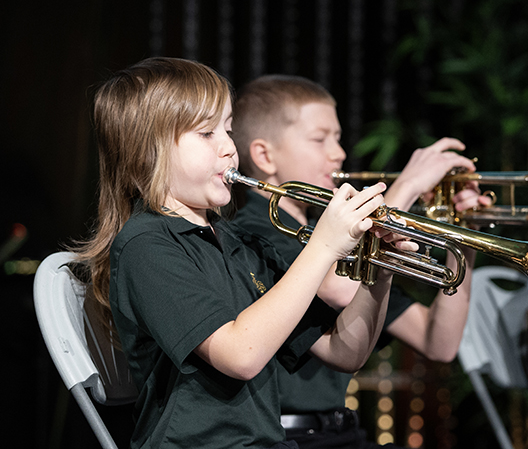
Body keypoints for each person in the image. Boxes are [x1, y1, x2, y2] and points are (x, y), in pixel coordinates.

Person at [72, 57, 406, 449]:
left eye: (228, 130)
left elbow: (344, 350)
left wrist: (379, 271)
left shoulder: (239, 244)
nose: (230, 149)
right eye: (207, 133)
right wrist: (324, 247)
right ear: (149, 149)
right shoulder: (146, 245)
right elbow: (240, 354)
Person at [230, 74, 492, 448]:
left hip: (341, 433)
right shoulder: (257, 228)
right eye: (320, 139)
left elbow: (439, 342)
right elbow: (335, 286)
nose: (338, 152)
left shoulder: (329, 234)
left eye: (337, 138)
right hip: (289, 436)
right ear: (264, 155)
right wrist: (405, 188)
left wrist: (462, 239)